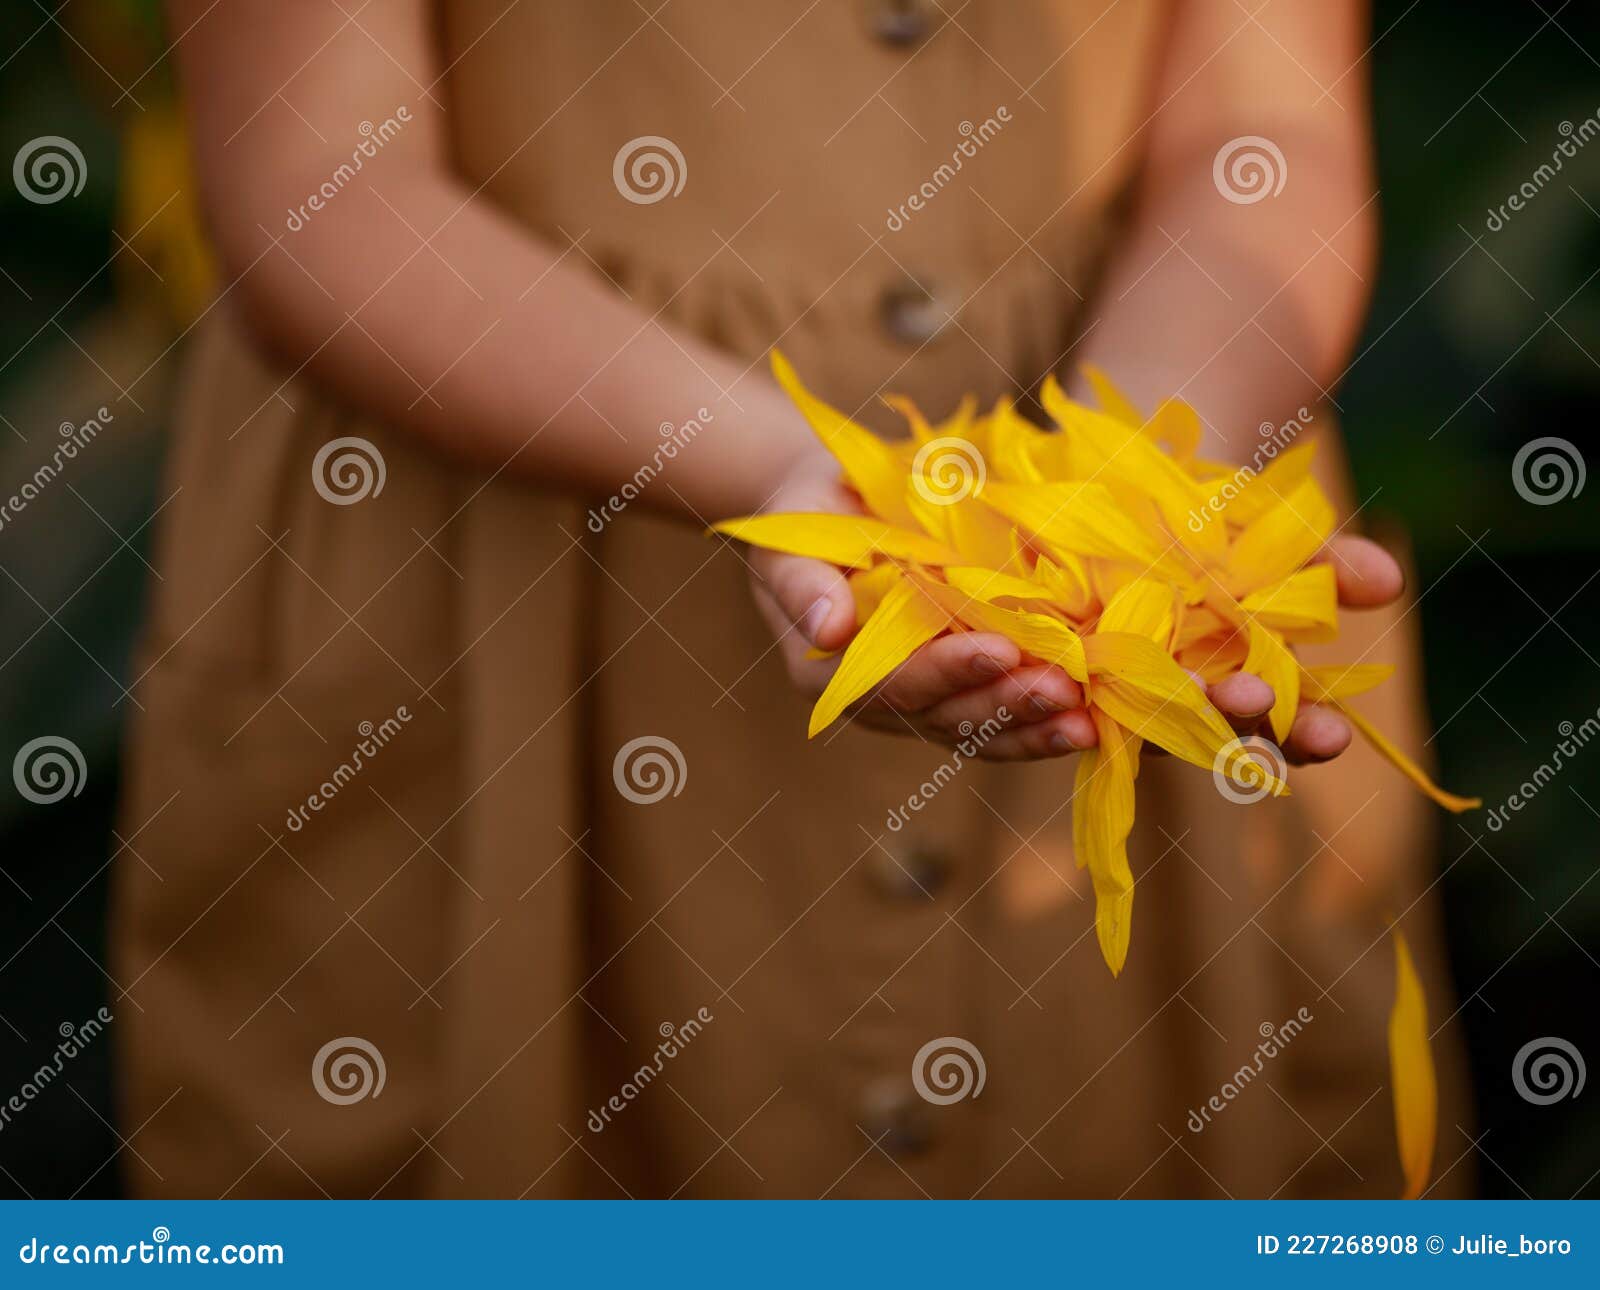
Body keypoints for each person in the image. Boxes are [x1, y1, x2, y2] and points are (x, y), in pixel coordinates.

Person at [115, 0, 1469, 1197]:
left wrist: (1147, 485)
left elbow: (1265, 130)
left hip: (1167, 410)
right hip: (494, 595)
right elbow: (322, 179)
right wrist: (776, 469)